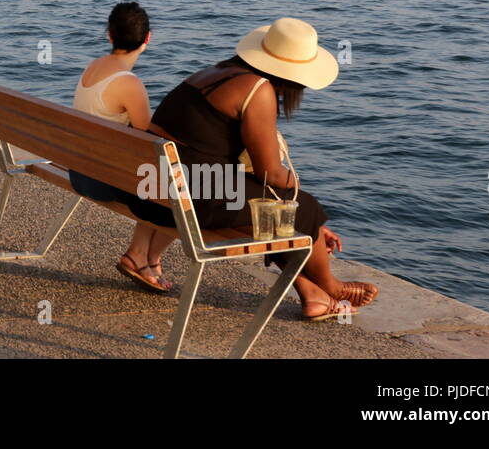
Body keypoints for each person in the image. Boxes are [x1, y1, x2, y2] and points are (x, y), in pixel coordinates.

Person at [151, 17, 378, 321]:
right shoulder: (258, 90)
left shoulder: (213, 73)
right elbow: (270, 173)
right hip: (187, 200)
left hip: (151, 190)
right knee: (302, 207)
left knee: (282, 211)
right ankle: (330, 286)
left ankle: (312, 296)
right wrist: (295, 186)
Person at [68, 1, 177, 292]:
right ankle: (142, 255)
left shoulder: (93, 67)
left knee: (157, 181)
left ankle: (144, 257)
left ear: (110, 35)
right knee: (182, 191)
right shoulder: (129, 83)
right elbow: (147, 140)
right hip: (102, 181)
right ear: (148, 39)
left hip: (79, 170)